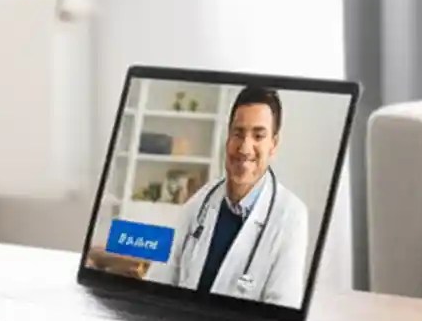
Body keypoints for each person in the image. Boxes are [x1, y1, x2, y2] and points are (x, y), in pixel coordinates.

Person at [90, 86, 309, 307]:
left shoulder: (291, 216)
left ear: (274, 144)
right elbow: (161, 280)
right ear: (228, 136)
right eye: (238, 132)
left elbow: (282, 308)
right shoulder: (200, 202)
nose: (245, 147)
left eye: (258, 135)